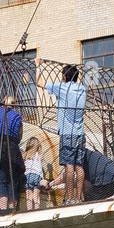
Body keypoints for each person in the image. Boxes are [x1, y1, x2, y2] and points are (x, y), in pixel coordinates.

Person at [40, 59, 88, 204]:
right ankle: (79, 198)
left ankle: (69, 197)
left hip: (67, 133)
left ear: (65, 77)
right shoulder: (82, 89)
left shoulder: (63, 88)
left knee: (69, 165)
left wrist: (37, 65)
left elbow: (40, 82)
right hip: (80, 133)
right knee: (79, 165)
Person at [0, 95, 25, 211]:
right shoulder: (18, 116)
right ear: (14, 104)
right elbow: (20, 135)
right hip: (13, 148)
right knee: (13, 178)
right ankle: (12, 210)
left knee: (0, 177)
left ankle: (3, 210)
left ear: (3, 103)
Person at [23, 137, 45, 210]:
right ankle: (36, 210)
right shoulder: (39, 155)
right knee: (36, 196)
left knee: (29, 195)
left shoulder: (25, 154)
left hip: (27, 176)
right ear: (37, 146)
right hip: (37, 176)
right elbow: (40, 165)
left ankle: (29, 210)